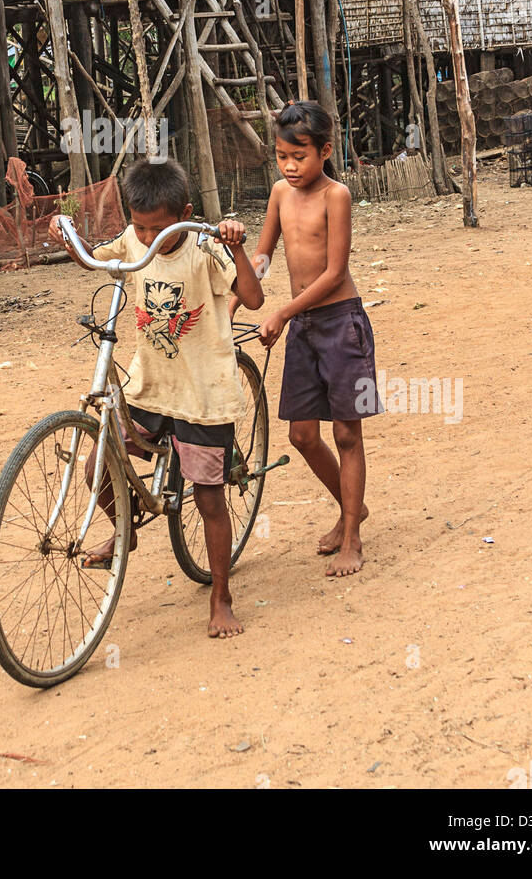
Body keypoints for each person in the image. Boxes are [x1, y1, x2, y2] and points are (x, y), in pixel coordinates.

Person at [48, 158, 263, 638]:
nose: (147, 239)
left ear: (185, 214)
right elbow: (94, 258)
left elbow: (253, 298)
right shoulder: (131, 240)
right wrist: (67, 236)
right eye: (140, 227)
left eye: (158, 229)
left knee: (208, 498)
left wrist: (235, 245)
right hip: (149, 386)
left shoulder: (205, 248)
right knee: (96, 466)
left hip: (202, 394)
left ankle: (221, 596)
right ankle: (124, 533)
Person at [231, 102, 378, 578]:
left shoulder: (337, 196)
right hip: (303, 329)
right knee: (301, 435)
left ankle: (351, 536)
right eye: (282, 157)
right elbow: (263, 256)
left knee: (346, 434)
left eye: (300, 156)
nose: (290, 167)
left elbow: (335, 273)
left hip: (341, 324)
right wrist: (233, 301)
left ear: (325, 151)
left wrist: (282, 312)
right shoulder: (279, 194)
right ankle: (353, 509)